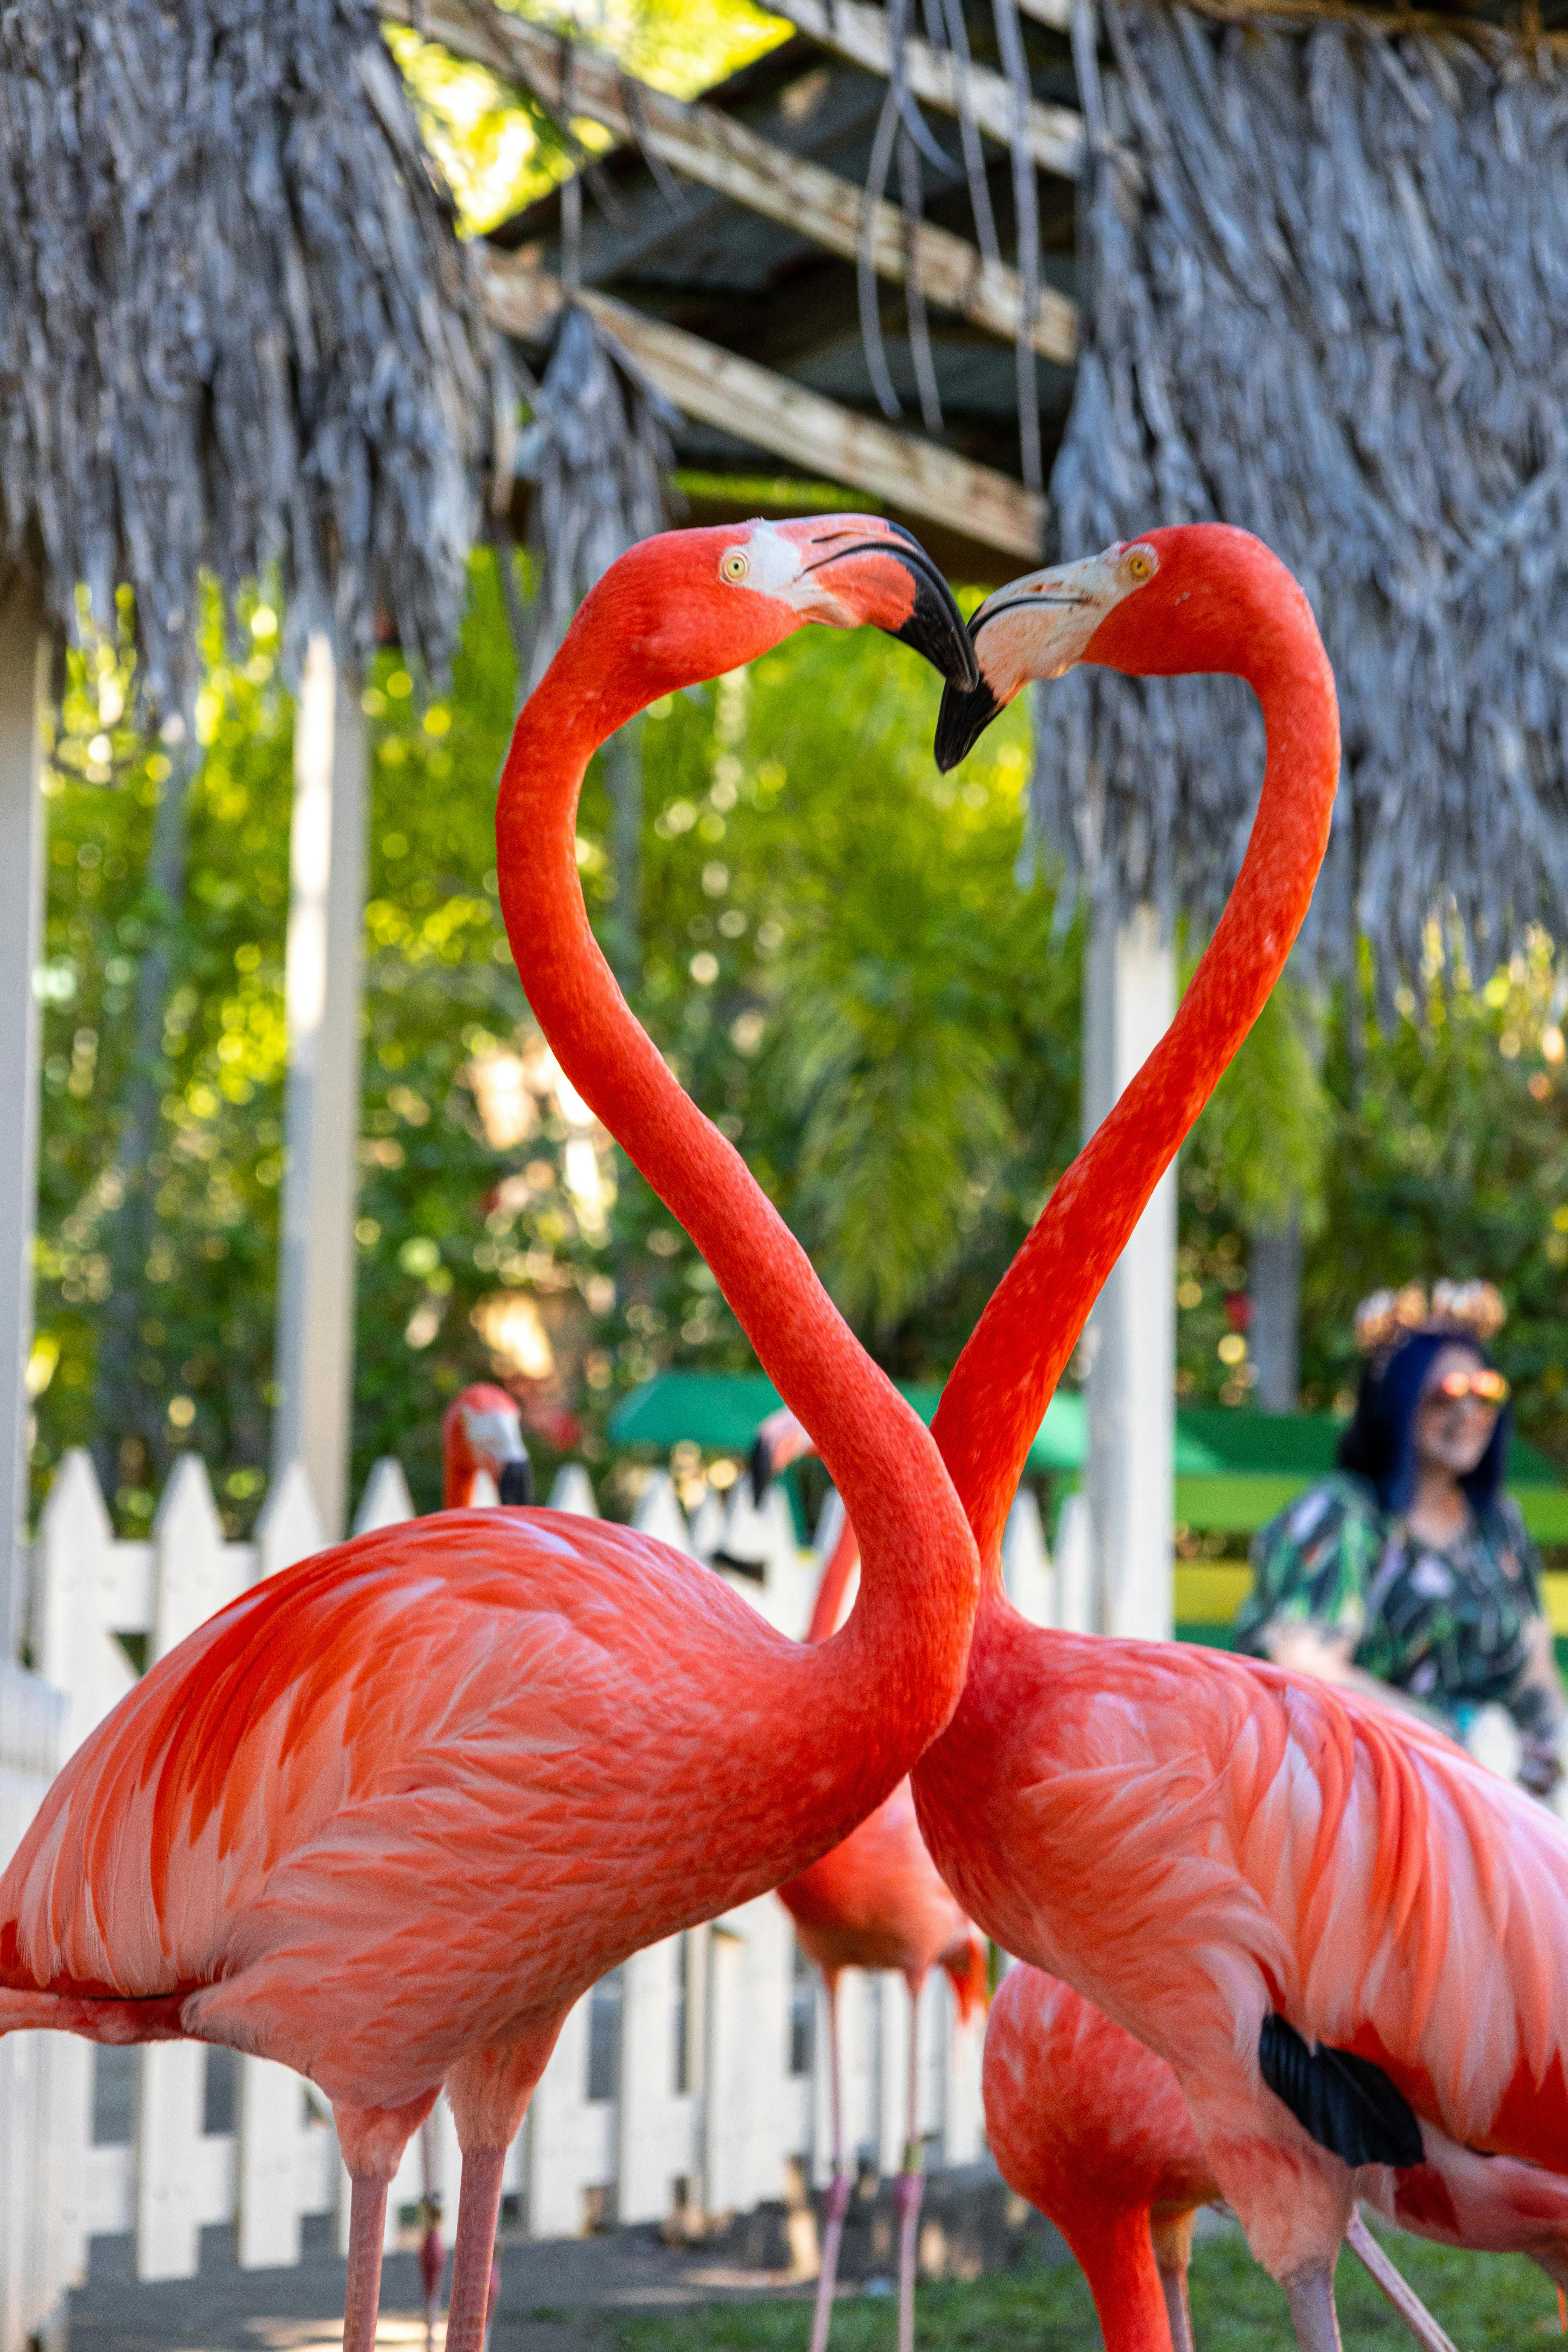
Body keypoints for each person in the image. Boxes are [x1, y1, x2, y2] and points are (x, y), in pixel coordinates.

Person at [1235, 1279, 1567, 1797]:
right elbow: (1305, 1665)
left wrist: (1557, 1741)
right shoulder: (1342, 1515)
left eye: (1487, 1393)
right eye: (1447, 1393)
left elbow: (1535, 1670)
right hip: (1361, 1788)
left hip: (1494, 1786)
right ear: (1398, 1402)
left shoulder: (1500, 1524)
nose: (1469, 1413)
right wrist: (1456, 1739)